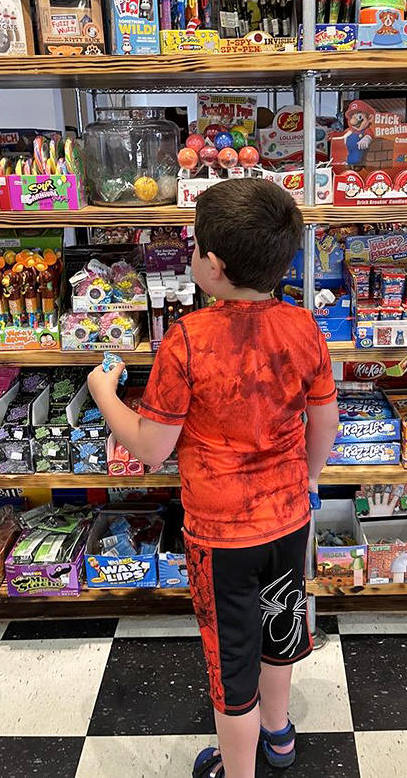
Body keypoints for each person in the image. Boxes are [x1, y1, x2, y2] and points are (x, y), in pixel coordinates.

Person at [88, 178, 339, 778]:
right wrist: (301, 478)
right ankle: (279, 738)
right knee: (280, 630)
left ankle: (239, 770)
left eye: (194, 246)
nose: (190, 252)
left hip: (222, 534)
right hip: (288, 520)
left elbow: (152, 447)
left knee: (232, 668)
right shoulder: (304, 327)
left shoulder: (187, 341)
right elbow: (324, 420)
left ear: (215, 266)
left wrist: (103, 393)